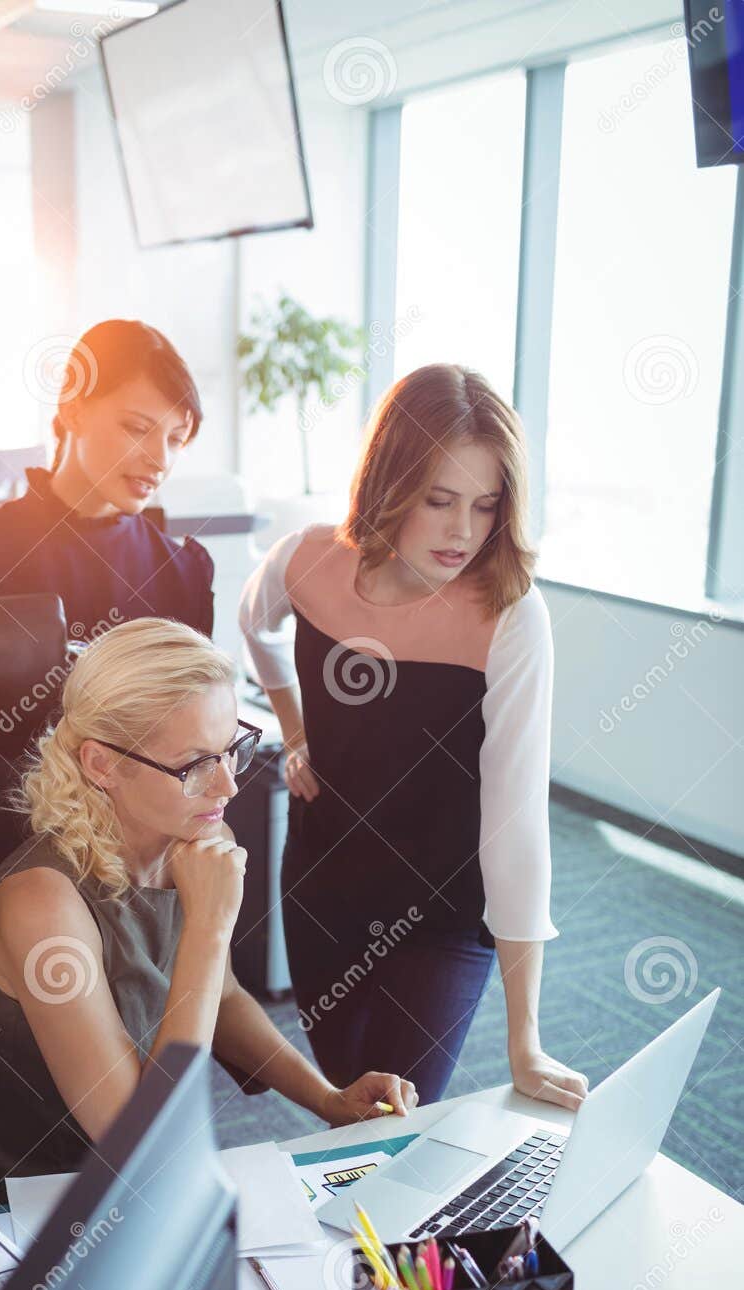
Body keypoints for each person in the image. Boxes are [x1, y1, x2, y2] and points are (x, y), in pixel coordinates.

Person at [0, 618, 416, 1207]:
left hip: (150, 1193)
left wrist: (327, 1099)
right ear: (102, 765)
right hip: (29, 1212)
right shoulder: (42, 906)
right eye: (194, 766)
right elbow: (140, 1145)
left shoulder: (187, 836)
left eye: (232, 748)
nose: (229, 788)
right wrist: (210, 928)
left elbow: (222, 998)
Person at [239, 363, 589, 1111]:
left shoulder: (508, 616)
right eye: (439, 500)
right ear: (390, 482)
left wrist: (522, 1039)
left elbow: (516, 823)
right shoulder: (307, 560)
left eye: (485, 505)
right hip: (322, 883)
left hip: (441, 912)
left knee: (397, 1124)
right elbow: (254, 625)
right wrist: (294, 729)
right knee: (345, 1109)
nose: (463, 531)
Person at [0, 320, 215, 652]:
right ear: (73, 411)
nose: (160, 460)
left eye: (176, 440)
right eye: (138, 428)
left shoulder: (183, 574)